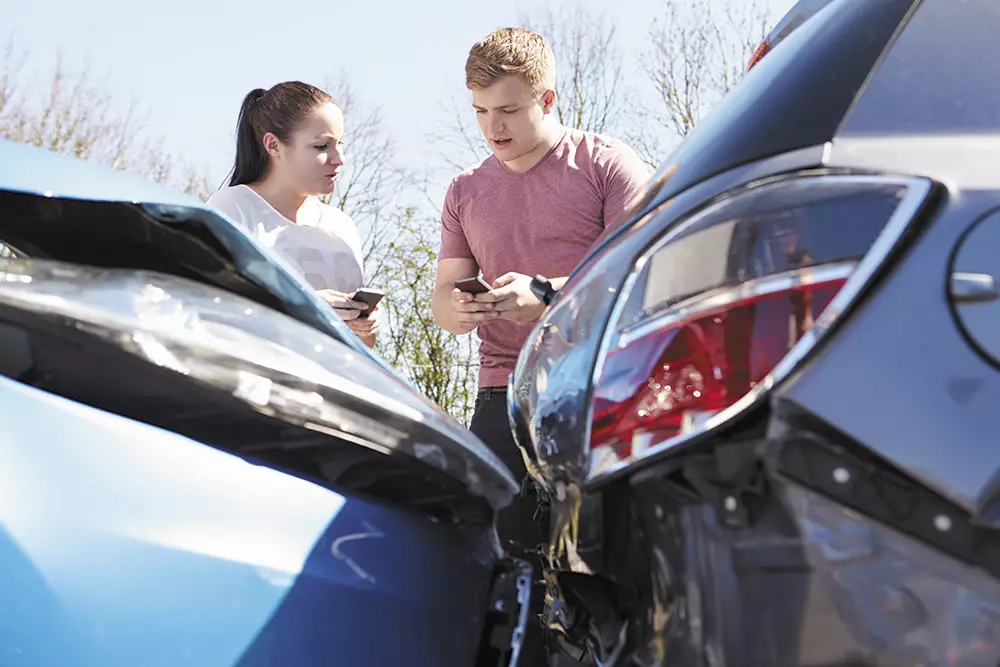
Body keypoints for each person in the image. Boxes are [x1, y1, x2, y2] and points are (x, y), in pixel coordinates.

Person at [431, 27, 651, 665]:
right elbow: (443, 307)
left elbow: (639, 280)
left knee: (606, 573)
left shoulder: (608, 165)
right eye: (478, 111)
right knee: (507, 577)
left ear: (547, 99)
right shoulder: (463, 191)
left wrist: (551, 297)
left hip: (597, 390)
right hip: (501, 395)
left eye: (506, 110)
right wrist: (464, 307)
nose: (491, 128)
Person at [207, 81, 381, 348]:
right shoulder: (233, 209)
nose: (339, 158)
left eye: (340, 143)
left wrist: (365, 326)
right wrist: (305, 309)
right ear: (273, 145)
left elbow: (364, 346)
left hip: (335, 385)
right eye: (322, 146)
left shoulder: (342, 225)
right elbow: (210, 316)